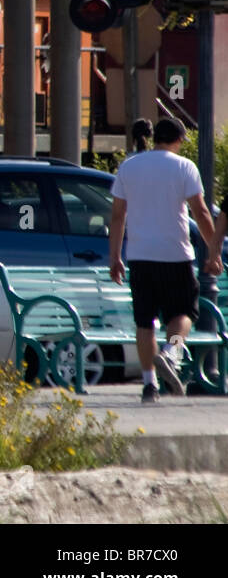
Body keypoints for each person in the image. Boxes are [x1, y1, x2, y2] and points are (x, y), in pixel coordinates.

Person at [109, 118, 223, 403]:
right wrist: (213, 251)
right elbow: (201, 212)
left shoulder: (129, 166)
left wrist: (115, 258)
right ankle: (171, 353)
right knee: (184, 313)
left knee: (145, 320)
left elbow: (117, 216)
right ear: (179, 140)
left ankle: (150, 384)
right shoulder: (184, 167)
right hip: (176, 254)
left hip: (140, 256)